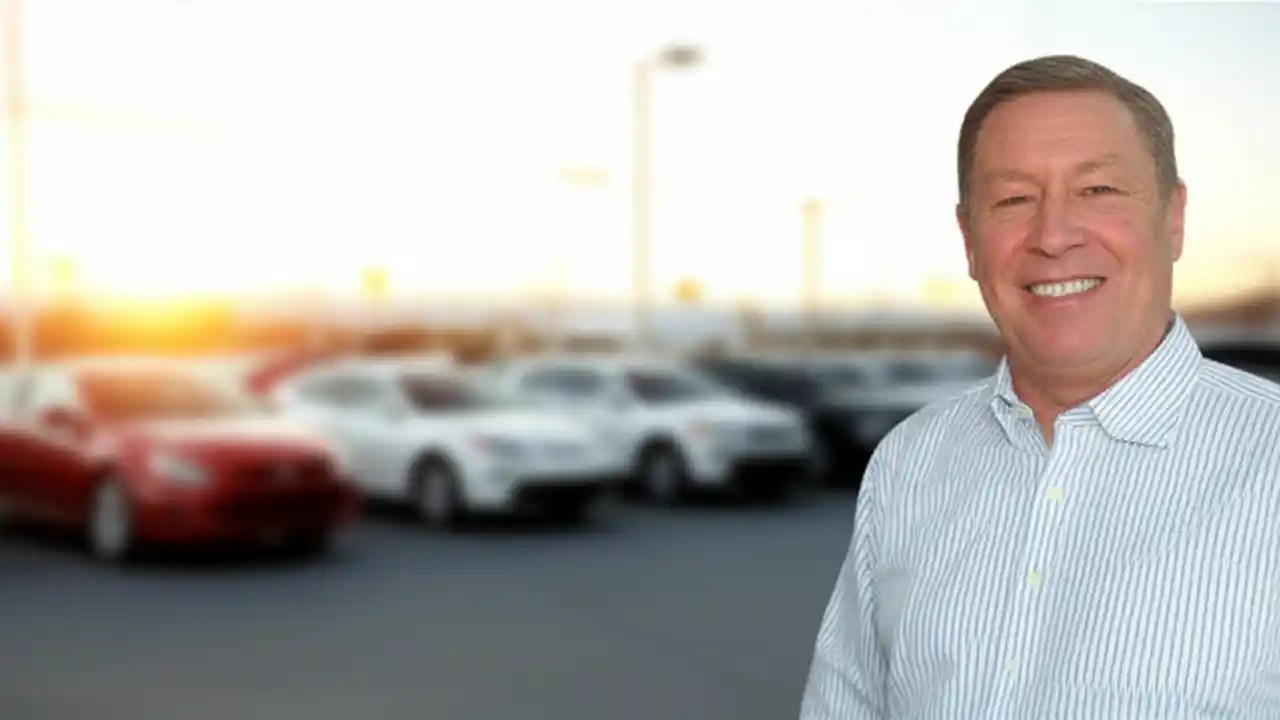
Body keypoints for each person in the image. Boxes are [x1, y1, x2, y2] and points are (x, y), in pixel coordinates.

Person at [799, 54, 1280, 718]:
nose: (1053, 235)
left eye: (1098, 191)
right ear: (970, 240)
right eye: (1014, 200)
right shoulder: (908, 464)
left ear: (1174, 218)